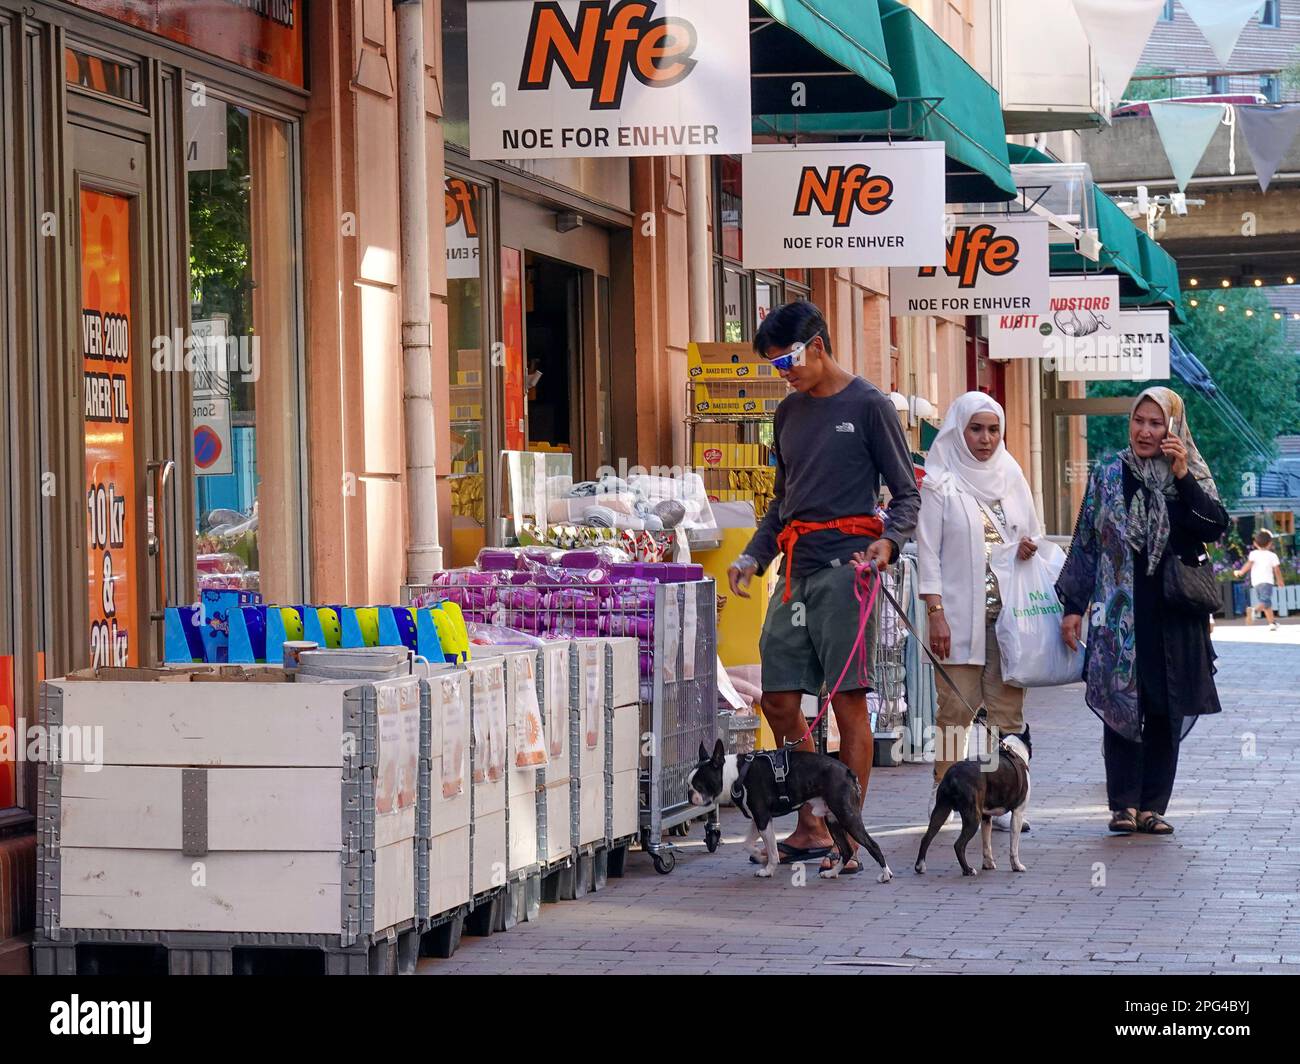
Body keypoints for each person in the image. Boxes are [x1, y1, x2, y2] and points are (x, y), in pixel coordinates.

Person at [728, 302, 920, 875]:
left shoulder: (869, 406)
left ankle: (846, 833)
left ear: (817, 344)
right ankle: (811, 820)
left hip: (847, 569)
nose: (782, 371)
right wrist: (752, 556)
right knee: (780, 698)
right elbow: (781, 503)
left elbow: (907, 494)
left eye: (786, 358)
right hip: (793, 570)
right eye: (773, 363)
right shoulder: (786, 414)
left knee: (848, 703)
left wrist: (889, 543)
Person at [1056, 387, 1228, 835]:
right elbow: (1088, 541)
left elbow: (1214, 526)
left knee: (1164, 706)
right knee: (1120, 705)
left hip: (1174, 612)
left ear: (1172, 428)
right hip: (1119, 616)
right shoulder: (1110, 472)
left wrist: (1183, 475)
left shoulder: (1186, 472)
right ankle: (1123, 805)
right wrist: (1074, 606)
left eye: (1156, 423)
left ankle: (1153, 806)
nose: (1146, 431)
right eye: (1139, 421)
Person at [916, 392, 1041, 832]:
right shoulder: (939, 481)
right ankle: (948, 795)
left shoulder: (1011, 474)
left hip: (1007, 617)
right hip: (956, 616)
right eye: (976, 429)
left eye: (993, 429)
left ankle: (1001, 797)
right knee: (956, 710)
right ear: (959, 429)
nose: (986, 439)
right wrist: (934, 611)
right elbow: (927, 551)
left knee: (1006, 710)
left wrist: (1027, 547)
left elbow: (1032, 536)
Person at [1235, 530, 1284, 631]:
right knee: (1265, 601)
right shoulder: (1272, 556)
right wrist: (1280, 580)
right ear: (1270, 543)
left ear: (1255, 543)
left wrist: (1241, 572)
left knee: (1266, 603)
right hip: (1267, 581)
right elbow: (1277, 570)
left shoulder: (1253, 554)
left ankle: (1272, 623)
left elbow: (1249, 564)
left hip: (1256, 582)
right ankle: (1254, 610)